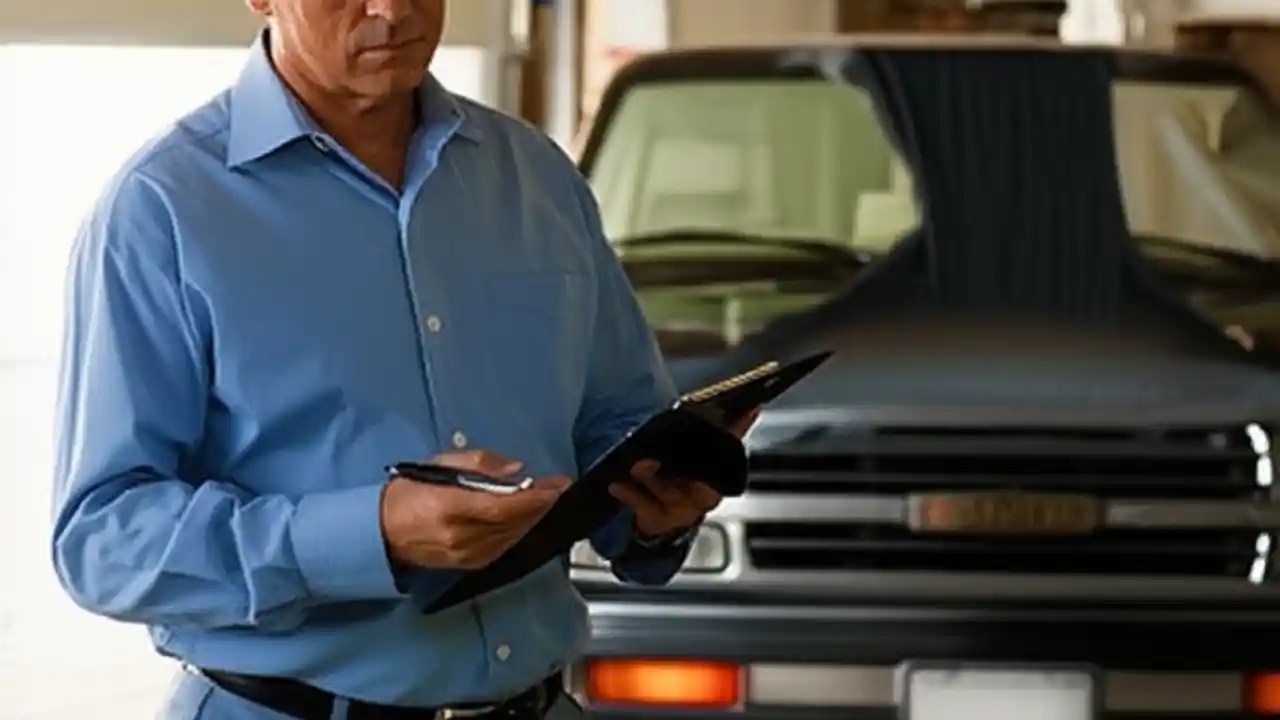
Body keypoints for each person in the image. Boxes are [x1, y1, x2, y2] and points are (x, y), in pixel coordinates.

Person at [49, 1, 756, 718]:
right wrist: (367, 536)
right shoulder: (162, 210)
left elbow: (613, 422)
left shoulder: (537, 178)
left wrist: (658, 506)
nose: (390, 9)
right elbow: (103, 540)